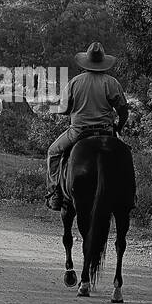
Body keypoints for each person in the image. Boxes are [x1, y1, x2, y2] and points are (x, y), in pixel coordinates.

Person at [45, 42, 129, 210]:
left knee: (53, 152)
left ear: (86, 63)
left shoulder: (75, 82)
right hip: (106, 131)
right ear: (103, 62)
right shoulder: (111, 82)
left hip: (78, 132)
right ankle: (129, 196)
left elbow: (64, 109)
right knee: (126, 156)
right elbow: (123, 111)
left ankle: (55, 192)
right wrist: (118, 128)